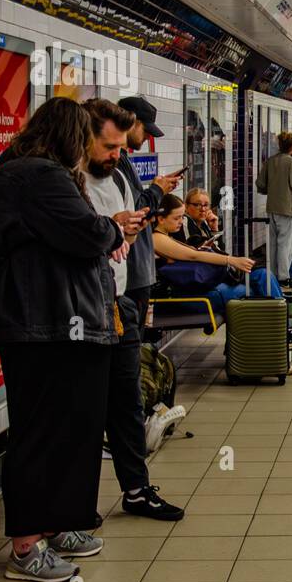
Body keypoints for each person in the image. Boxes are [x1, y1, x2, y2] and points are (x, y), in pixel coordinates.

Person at [0, 97, 124, 582]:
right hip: (39, 323)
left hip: (54, 320)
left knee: (69, 426)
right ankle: (25, 547)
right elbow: (86, 234)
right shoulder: (39, 176)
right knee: (40, 430)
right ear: (69, 136)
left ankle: (58, 523)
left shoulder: (22, 170)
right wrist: (111, 228)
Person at [81, 99, 185, 522]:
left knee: (126, 399)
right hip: (86, 307)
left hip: (121, 298)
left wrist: (134, 219)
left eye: (121, 145)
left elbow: (131, 221)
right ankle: (76, 506)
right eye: (109, 146)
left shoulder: (118, 172)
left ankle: (137, 489)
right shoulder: (69, 180)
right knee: (87, 407)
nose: (118, 154)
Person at [152, 195, 292, 348]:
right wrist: (232, 260)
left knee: (264, 277)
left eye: (182, 217)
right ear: (160, 218)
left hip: (199, 289)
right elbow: (194, 256)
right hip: (188, 297)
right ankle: (280, 340)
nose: (181, 221)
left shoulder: (168, 236)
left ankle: (281, 341)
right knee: (257, 292)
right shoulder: (157, 239)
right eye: (177, 218)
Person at [116, 97, 182, 330]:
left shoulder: (124, 159)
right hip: (132, 272)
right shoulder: (117, 162)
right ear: (130, 122)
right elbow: (135, 211)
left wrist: (160, 190)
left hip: (139, 270)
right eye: (146, 130)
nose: (148, 137)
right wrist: (157, 190)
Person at [256, 132, 292, 288]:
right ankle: (284, 276)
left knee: (273, 242)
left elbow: (261, 184)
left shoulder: (270, 161)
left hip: (272, 206)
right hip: (287, 207)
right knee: (286, 242)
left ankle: (273, 274)